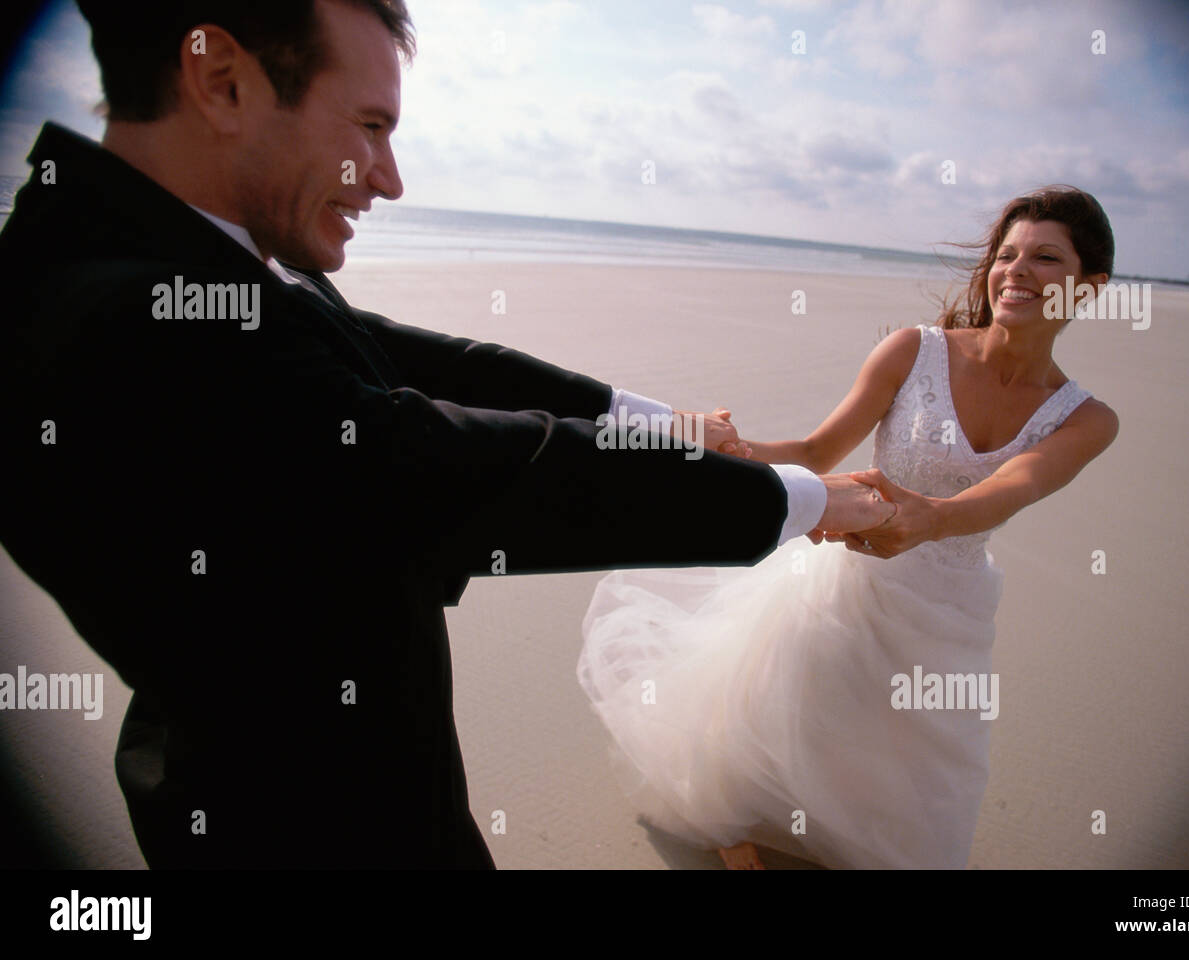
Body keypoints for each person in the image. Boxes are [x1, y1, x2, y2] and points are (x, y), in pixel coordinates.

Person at [0, 0, 894, 868]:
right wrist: (804, 500)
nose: (389, 178)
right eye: (369, 127)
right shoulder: (118, 315)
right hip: (314, 823)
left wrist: (663, 427)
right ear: (222, 81)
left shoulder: (173, 255)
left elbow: (417, 360)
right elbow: (447, 468)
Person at [578, 186, 1121, 869]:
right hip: (848, 575)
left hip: (950, 607)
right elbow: (814, 453)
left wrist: (931, 519)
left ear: (1089, 287)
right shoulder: (913, 351)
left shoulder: (1086, 419)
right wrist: (721, 447)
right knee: (794, 705)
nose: (1017, 271)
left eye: (1046, 258)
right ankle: (731, 815)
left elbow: (1017, 485)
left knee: (916, 761)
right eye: (1007, 255)